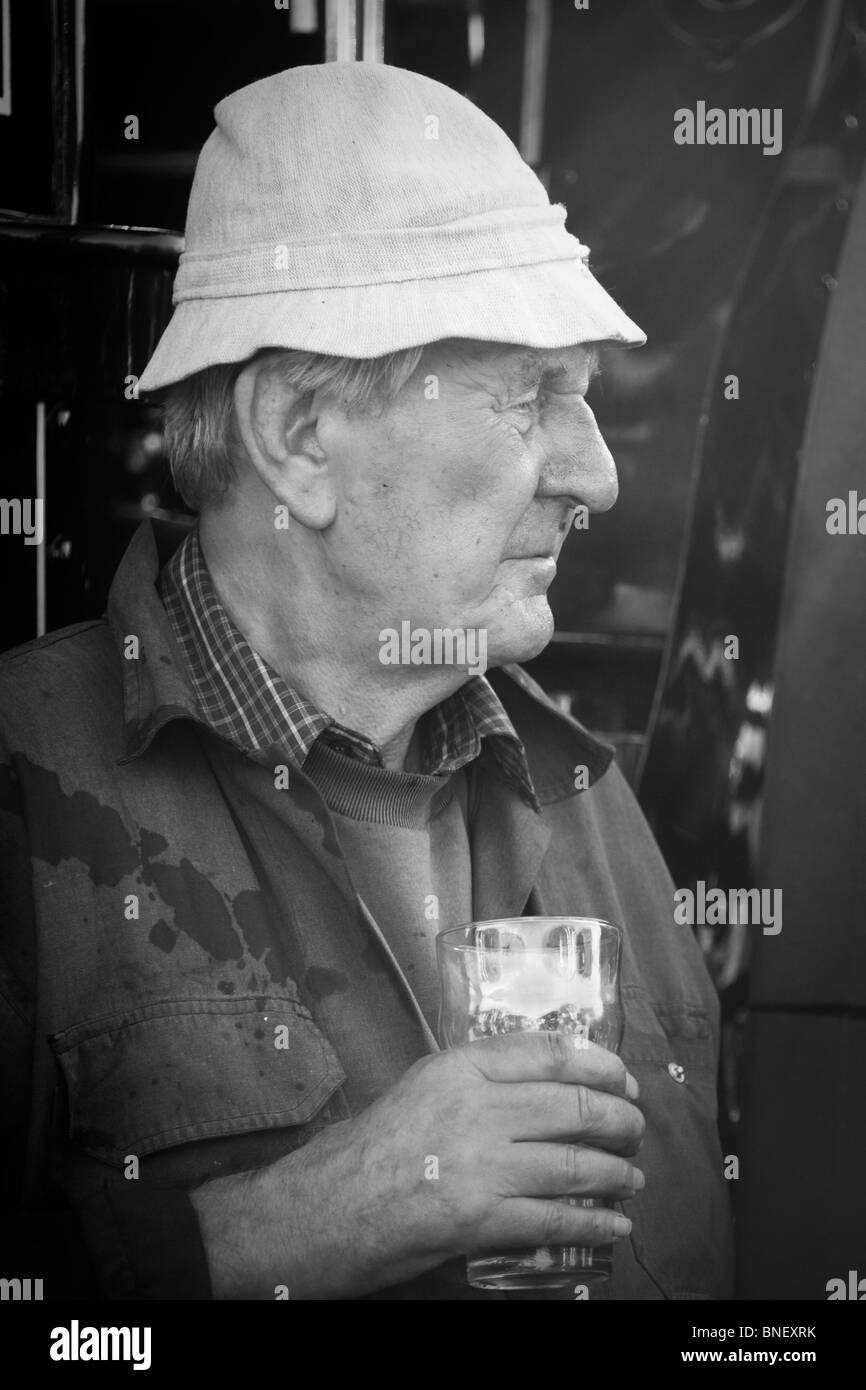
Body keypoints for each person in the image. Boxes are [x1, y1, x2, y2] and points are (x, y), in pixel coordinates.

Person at [0, 62, 733, 1300]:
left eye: (586, 400)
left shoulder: (590, 805)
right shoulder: (24, 788)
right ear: (297, 436)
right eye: (531, 398)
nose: (596, 478)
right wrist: (287, 1229)